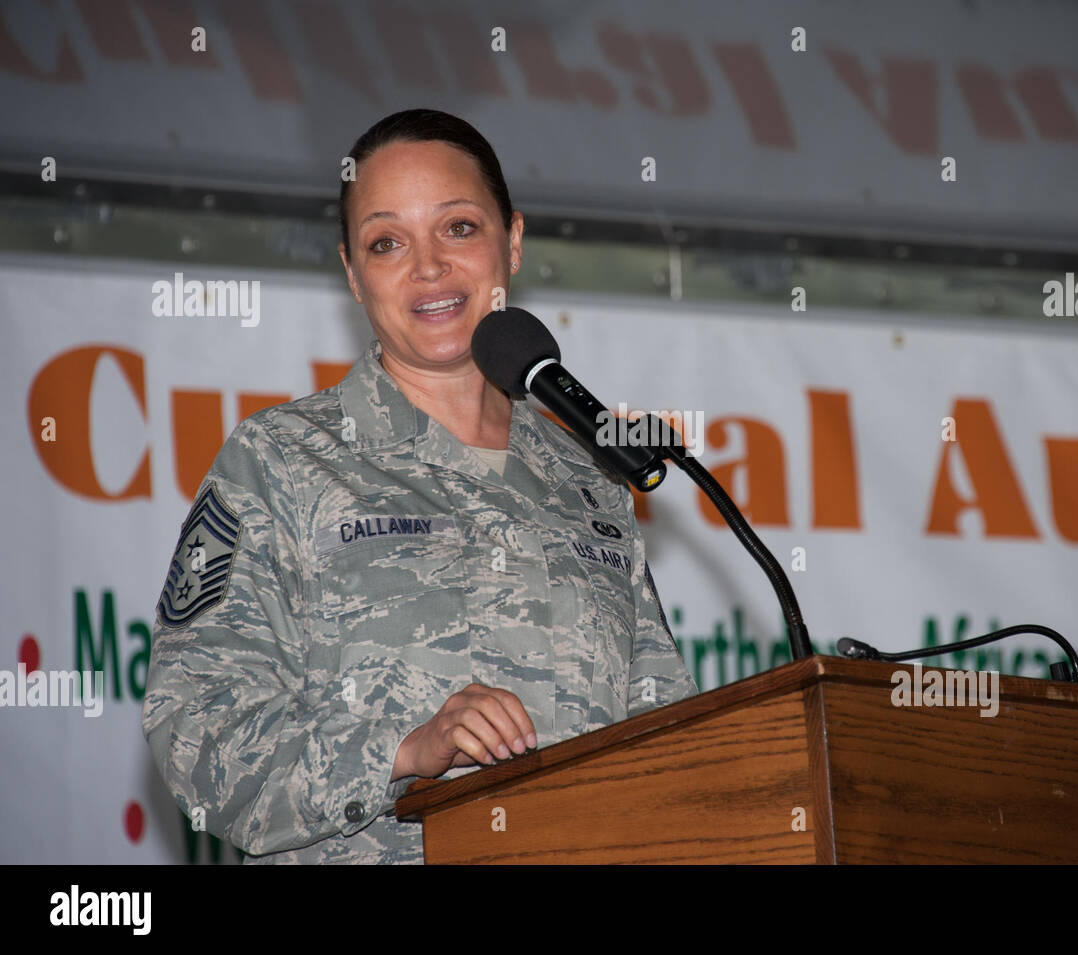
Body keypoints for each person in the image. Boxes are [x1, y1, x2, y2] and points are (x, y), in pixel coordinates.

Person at [141, 109, 698, 865]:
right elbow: (196, 736)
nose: (428, 267)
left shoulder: (590, 482)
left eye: (459, 228)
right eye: (387, 242)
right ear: (352, 272)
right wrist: (402, 747)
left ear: (515, 239)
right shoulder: (280, 462)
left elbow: (670, 747)